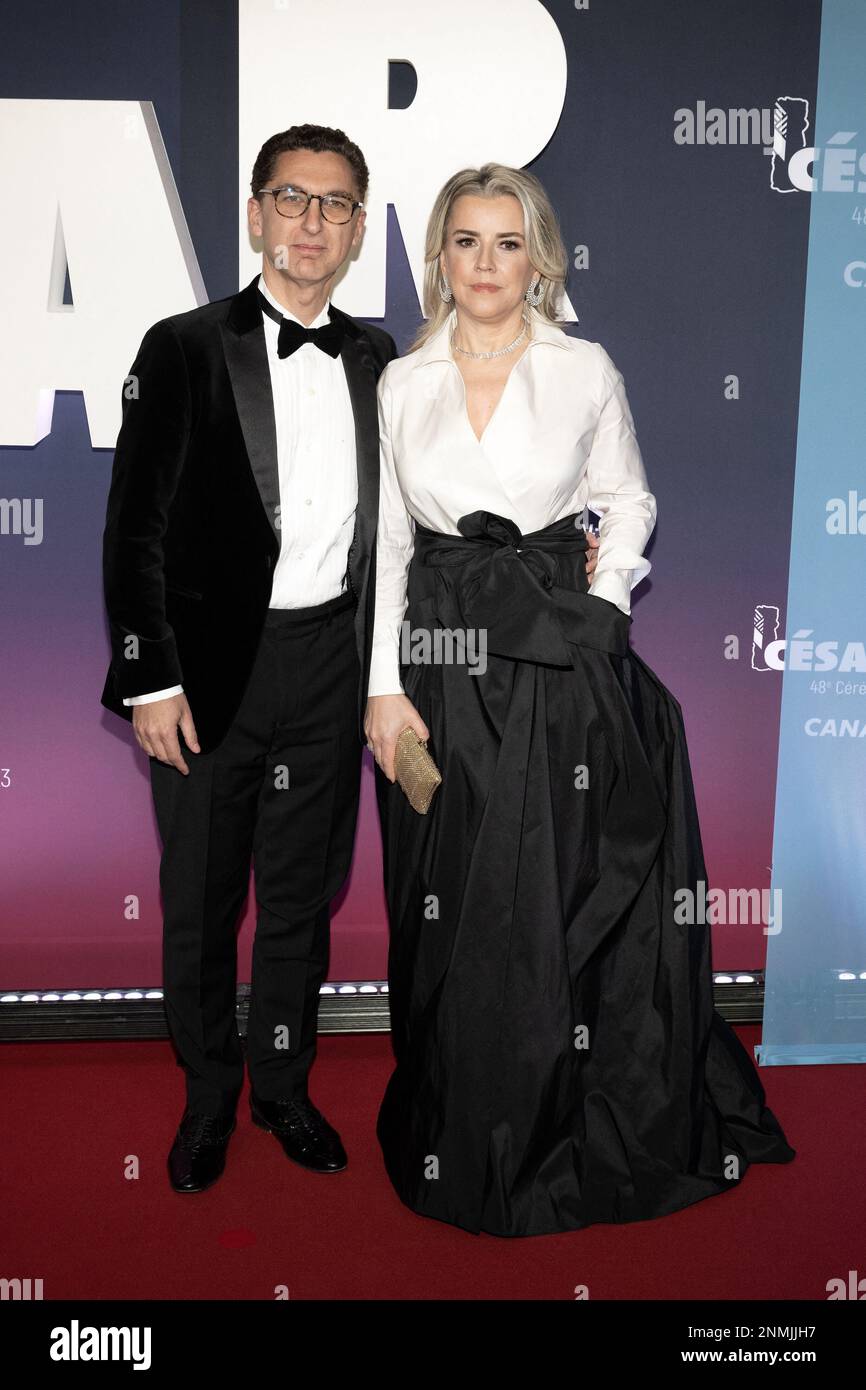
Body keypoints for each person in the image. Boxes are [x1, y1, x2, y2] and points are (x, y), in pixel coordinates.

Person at [364, 162, 795, 1237]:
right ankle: (460, 1132)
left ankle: (561, 1135)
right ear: (438, 257)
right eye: (464, 241)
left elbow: (627, 494)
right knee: (452, 902)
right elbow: (388, 549)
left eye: (506, 242)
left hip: (557, 659)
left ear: (538, 258)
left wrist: (602, 606)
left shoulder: (582, 367)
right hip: (439, 666)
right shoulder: (400, 382)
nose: (484, 263)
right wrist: (379, 689)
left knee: (554, 899)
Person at [100, 125, 405, 1194]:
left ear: (359, 228)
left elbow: (423, 513)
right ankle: (206, 1097)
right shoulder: (180, 346)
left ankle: (282, 1088)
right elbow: (133, 528)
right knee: (198, 899)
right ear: (253, 213)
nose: (311, 222)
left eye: (334, 204)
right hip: (205, 673)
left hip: (332, 659)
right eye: (291, 197)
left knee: (299, 896)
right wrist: (149, 677)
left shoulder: (380, 357)